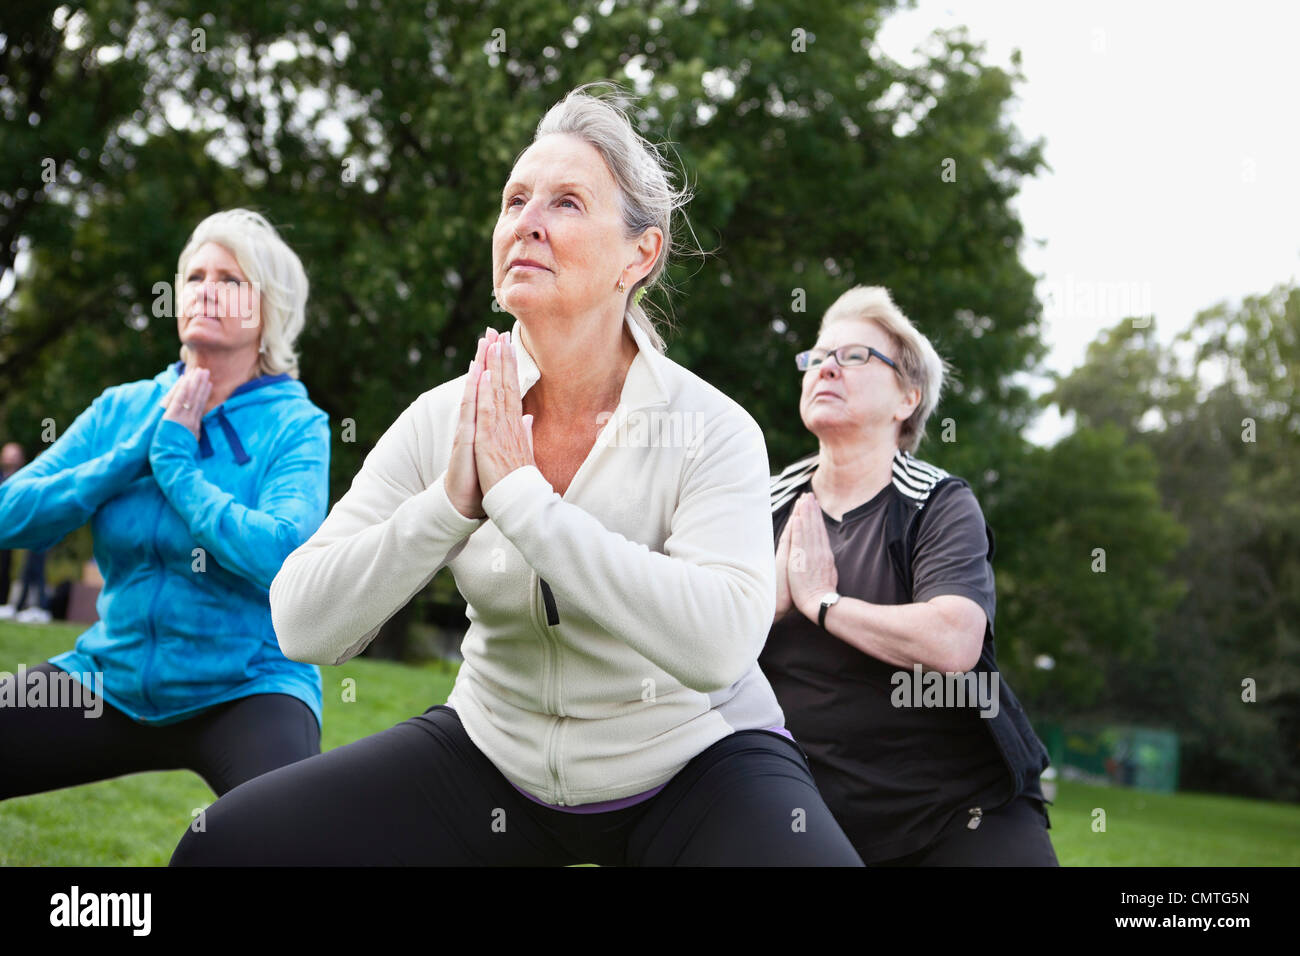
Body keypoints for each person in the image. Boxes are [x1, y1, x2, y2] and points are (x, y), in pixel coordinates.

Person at [170, 84, 862, 867]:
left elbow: (721, 647)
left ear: (641, 253)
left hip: (693, 763)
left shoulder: (711, 426)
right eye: (515, 200)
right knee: (224, 849)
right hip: (491, 756)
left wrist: (523, 502)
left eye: (567, 203)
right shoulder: (446, 417)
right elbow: (301, 621)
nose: (527, 221)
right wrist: (450, 503)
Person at [0, 209, 331, 802]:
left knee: (290, 835)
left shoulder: (296, 425)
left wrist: (177, 469)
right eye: (195, 277)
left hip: (247, 686)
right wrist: (133, 454)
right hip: (111, 676)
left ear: (270, 312)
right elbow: (10, 513)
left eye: (230, 280)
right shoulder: (123, 409)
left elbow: (283, 554)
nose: (206, 291)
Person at [760, 285, 1058, 866]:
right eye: (817, 357)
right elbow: (696, 641)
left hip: (960, 811)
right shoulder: (761, 503)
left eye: (853, 357)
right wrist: (768, 600)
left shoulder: (937, 502)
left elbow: (954, 641)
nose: (826, 369)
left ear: (906, 399)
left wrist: (825, 602)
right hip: (811, 812)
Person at [0, 442, 26, 610]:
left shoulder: (23, 479)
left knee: (5, 566)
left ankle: (3, 603)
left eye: (15, 455)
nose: (11, 458)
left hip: (9, 529)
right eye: (9, 454)